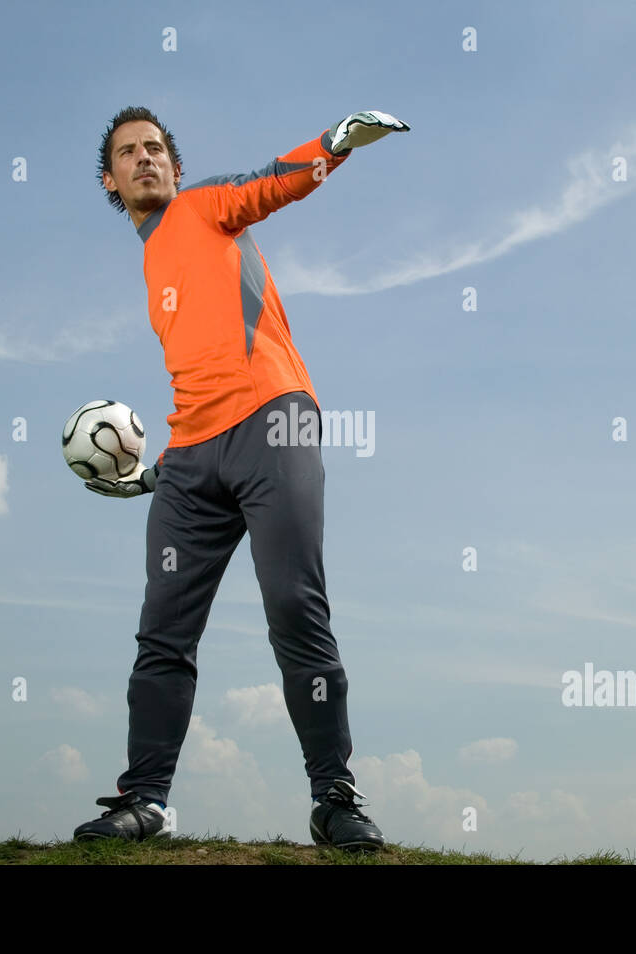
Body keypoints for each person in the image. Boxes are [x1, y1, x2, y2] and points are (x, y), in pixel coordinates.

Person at [71, 107, 408, 852]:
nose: (145, 159)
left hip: (273, 423)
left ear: (177, 167)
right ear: (110, 179)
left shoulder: (202, 207)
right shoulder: (151, 260)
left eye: (156, 148)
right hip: (191, 453)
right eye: (129, 153)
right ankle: (144, 800)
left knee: (294, 603)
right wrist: (155, 472)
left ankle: (333, 797)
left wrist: (335, 145)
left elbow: (270, 184)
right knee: (162, 631)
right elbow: (198, 373)